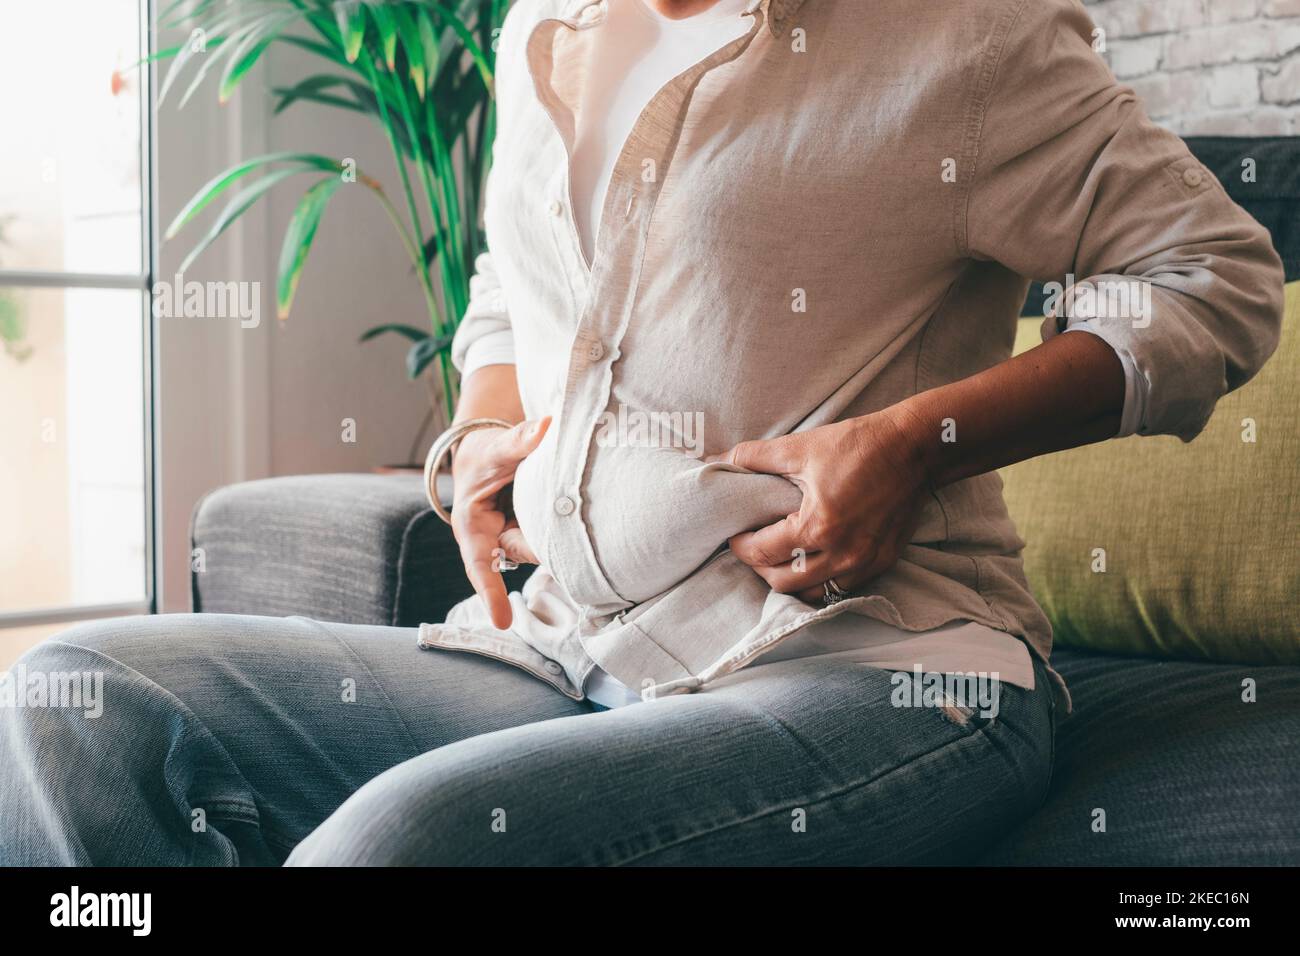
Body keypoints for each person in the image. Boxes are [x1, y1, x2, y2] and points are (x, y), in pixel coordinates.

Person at [0, 0, 1283, 866]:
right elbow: (514, 280)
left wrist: (916, 437)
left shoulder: (962, 39)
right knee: (84, 702)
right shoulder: (548, 29)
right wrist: (491, 433)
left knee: (403, 844)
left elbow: (1209, 277)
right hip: (558, 654)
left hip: (875, 671)